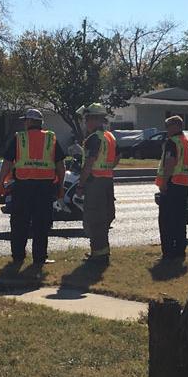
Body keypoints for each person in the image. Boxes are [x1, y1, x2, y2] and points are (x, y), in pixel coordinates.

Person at [0, 108, 65, 266]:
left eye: (26, 120)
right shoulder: (50, 138)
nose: (24, 123)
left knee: (19, 223)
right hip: (45, 188)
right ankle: (39, 258)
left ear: (30, 122)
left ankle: (18, 257)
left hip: (23, 187)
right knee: (42, 225)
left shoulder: (19, 138)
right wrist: (60, 188)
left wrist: (0, 186)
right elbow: (60, 166)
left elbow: (6, 163)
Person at [75, 103, 119, 262]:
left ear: (94, 120)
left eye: (87, 119)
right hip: (108, 180)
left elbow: (89, 163)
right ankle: (103, 251)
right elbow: (117, 157)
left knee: (94, 218)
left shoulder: (94, 138)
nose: (85, 123)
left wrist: (80, 185)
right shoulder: (110, 136)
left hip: (95, 182)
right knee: (105, 216)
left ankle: (98, 254)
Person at [155, 115, 188, 260]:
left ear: (176, 126)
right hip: (184, 185)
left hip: (172, 184)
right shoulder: (187, 142)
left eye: (168, 126)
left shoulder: (172, 142)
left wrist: (164, 183)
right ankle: (179, 251)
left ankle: (168, 252)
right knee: (179, 220)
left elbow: (170, 163)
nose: (167, 130)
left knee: (166, 221)